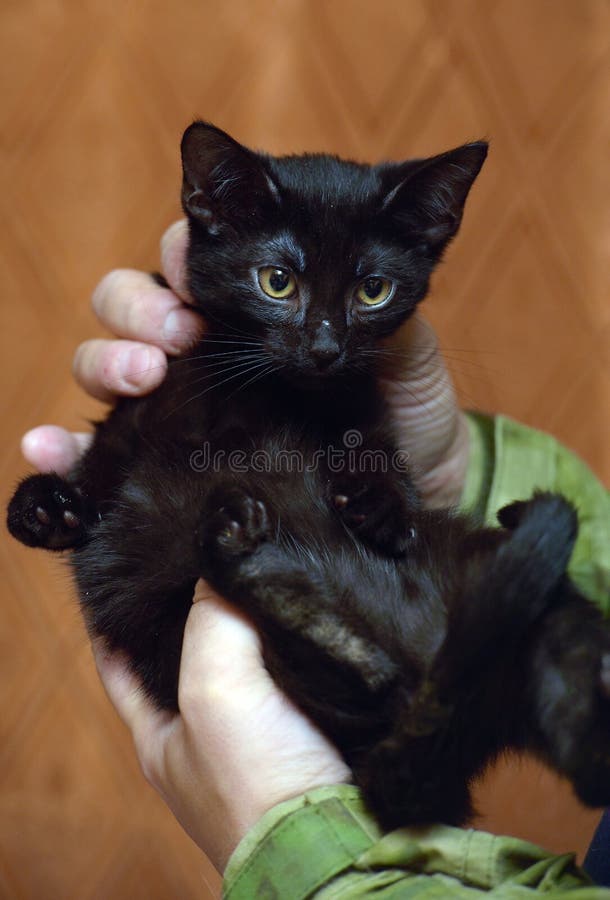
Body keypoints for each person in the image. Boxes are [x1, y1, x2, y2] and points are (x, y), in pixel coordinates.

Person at [23, 220, 610, 897]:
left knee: (491, 636)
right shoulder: (223, 359)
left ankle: (509, 710)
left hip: (333, 647)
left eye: (367, 294)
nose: (326, 338)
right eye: (279, 283)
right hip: (346, 635)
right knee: (516, 636)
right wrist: (453, 470)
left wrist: (286, 821)